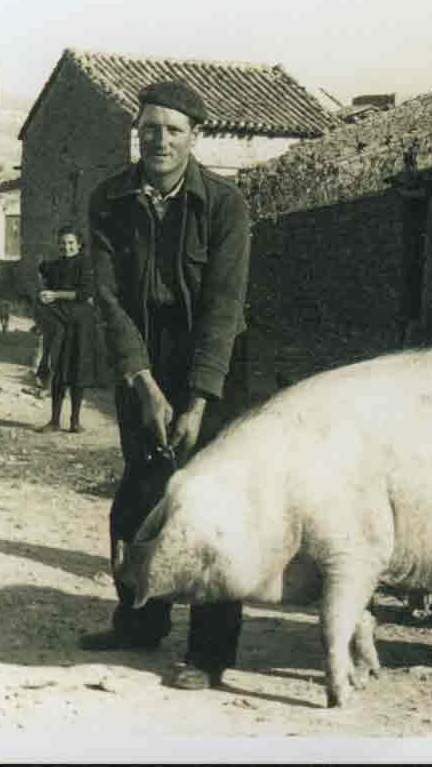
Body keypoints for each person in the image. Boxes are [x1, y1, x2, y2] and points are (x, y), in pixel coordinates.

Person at [78, 79, 252, 691]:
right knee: (141, 495)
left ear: (194, 137)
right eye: (150, 128)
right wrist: (142, 382)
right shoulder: (109, 200)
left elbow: (225, 305)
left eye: (173, 129)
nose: (160, 140)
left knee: (210, 504)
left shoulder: (225, 206)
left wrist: (198, 398)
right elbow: (108, 298)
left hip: (212, 366)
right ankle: (139, 622)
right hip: (141, 366)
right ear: (138, 132)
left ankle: (209, 653)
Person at [34, 225, 106, 432]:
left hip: (81, 323)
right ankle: (55, 420)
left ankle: (75, 421)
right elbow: (40, 270)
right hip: (60, 322)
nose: (67, 247)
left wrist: (55, 295)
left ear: (79, 244)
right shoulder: (54, 266)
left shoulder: (86, 264)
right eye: (63, 243)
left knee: (78, 370)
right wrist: (42, 290)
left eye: (71, 243)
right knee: (58, 369)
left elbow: (85, 294)